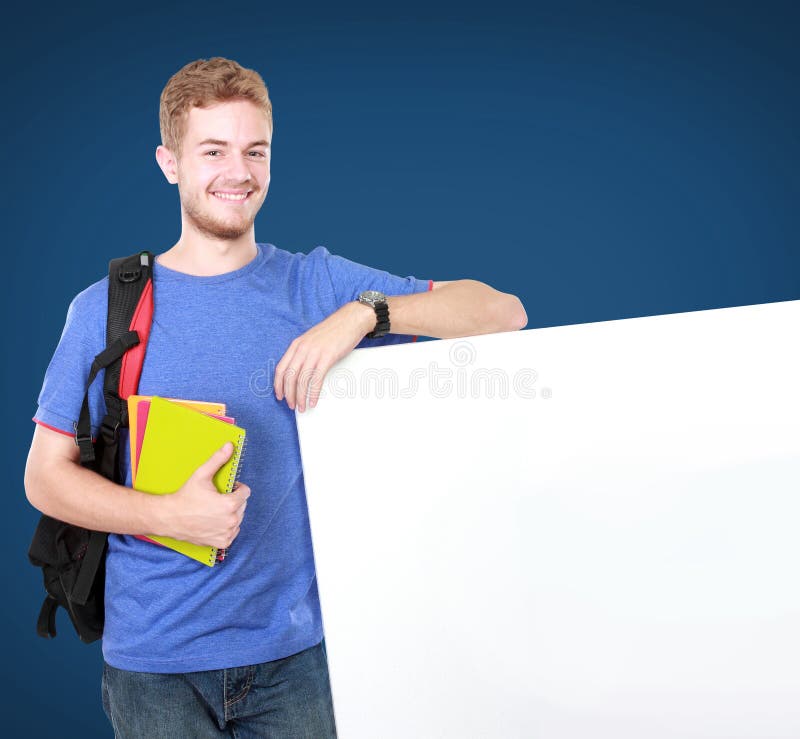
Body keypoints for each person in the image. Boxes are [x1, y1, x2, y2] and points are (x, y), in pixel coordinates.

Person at [24, 57, 527, 738]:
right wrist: (169, 514)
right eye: (213, 151)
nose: (239, 171)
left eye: (254, 150)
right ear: (169, 162)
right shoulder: (106, 308)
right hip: (153, 668)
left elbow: (501, 312)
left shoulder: (315, 286)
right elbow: (44, 477)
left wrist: (365, 316)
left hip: (294, 663)